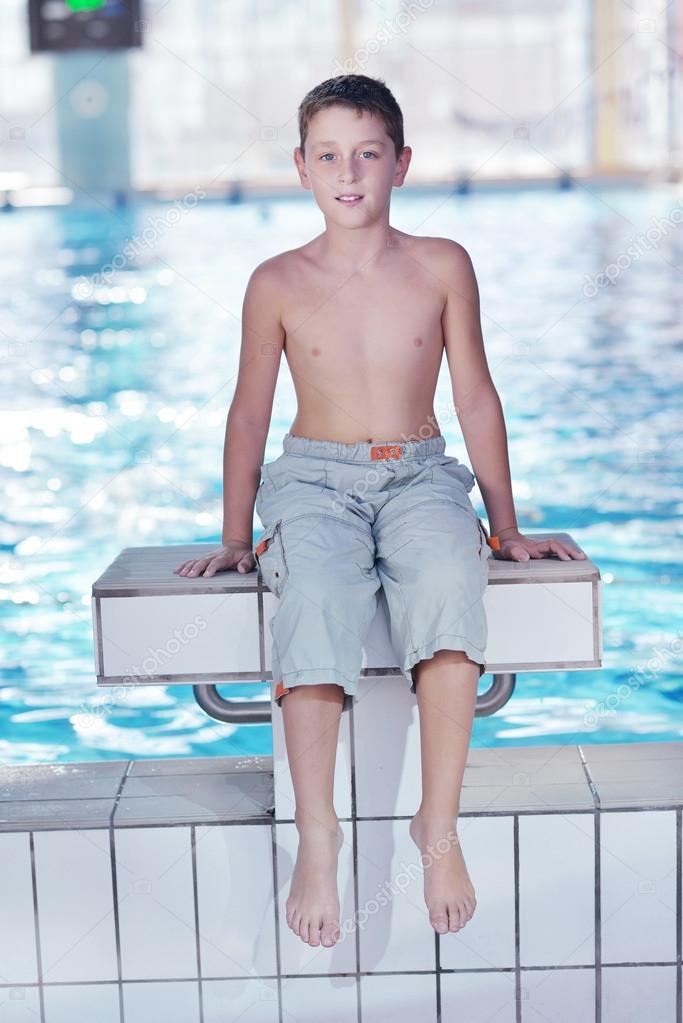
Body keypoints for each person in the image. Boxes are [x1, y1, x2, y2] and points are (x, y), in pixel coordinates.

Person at [174, 74, 585, 951]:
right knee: (316, 596)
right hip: (313, 480)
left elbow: (474, 395)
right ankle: (316, 835)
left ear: (401, 162)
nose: (348, 172)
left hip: (421, 472)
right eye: (327, 155)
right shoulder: (276, 281)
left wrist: (506, 526)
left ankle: (436, 829)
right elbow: (249, 411)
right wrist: (235, 536)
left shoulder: (441, 263)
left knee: (445, 584)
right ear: (301, 167)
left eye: (367, 154)